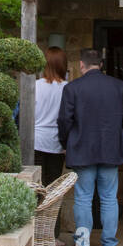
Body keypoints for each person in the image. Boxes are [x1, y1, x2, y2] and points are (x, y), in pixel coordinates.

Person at [58, 48, 123, 246]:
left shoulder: (73, 88)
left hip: (82, 149)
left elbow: (64, 120)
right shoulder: (118, 86)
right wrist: (120, 139)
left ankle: (82, 245)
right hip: (111, 149)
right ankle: (109, 244)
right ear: (101, 65)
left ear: (81, 65)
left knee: (83, 198)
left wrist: (66, 143)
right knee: (109, 198)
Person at [33, 46, 69, 187]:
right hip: (57, 143)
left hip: (36, 140)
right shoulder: (68, 88)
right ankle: (52, 210)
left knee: (35, 186)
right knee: (53, 187)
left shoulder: (35, 86)